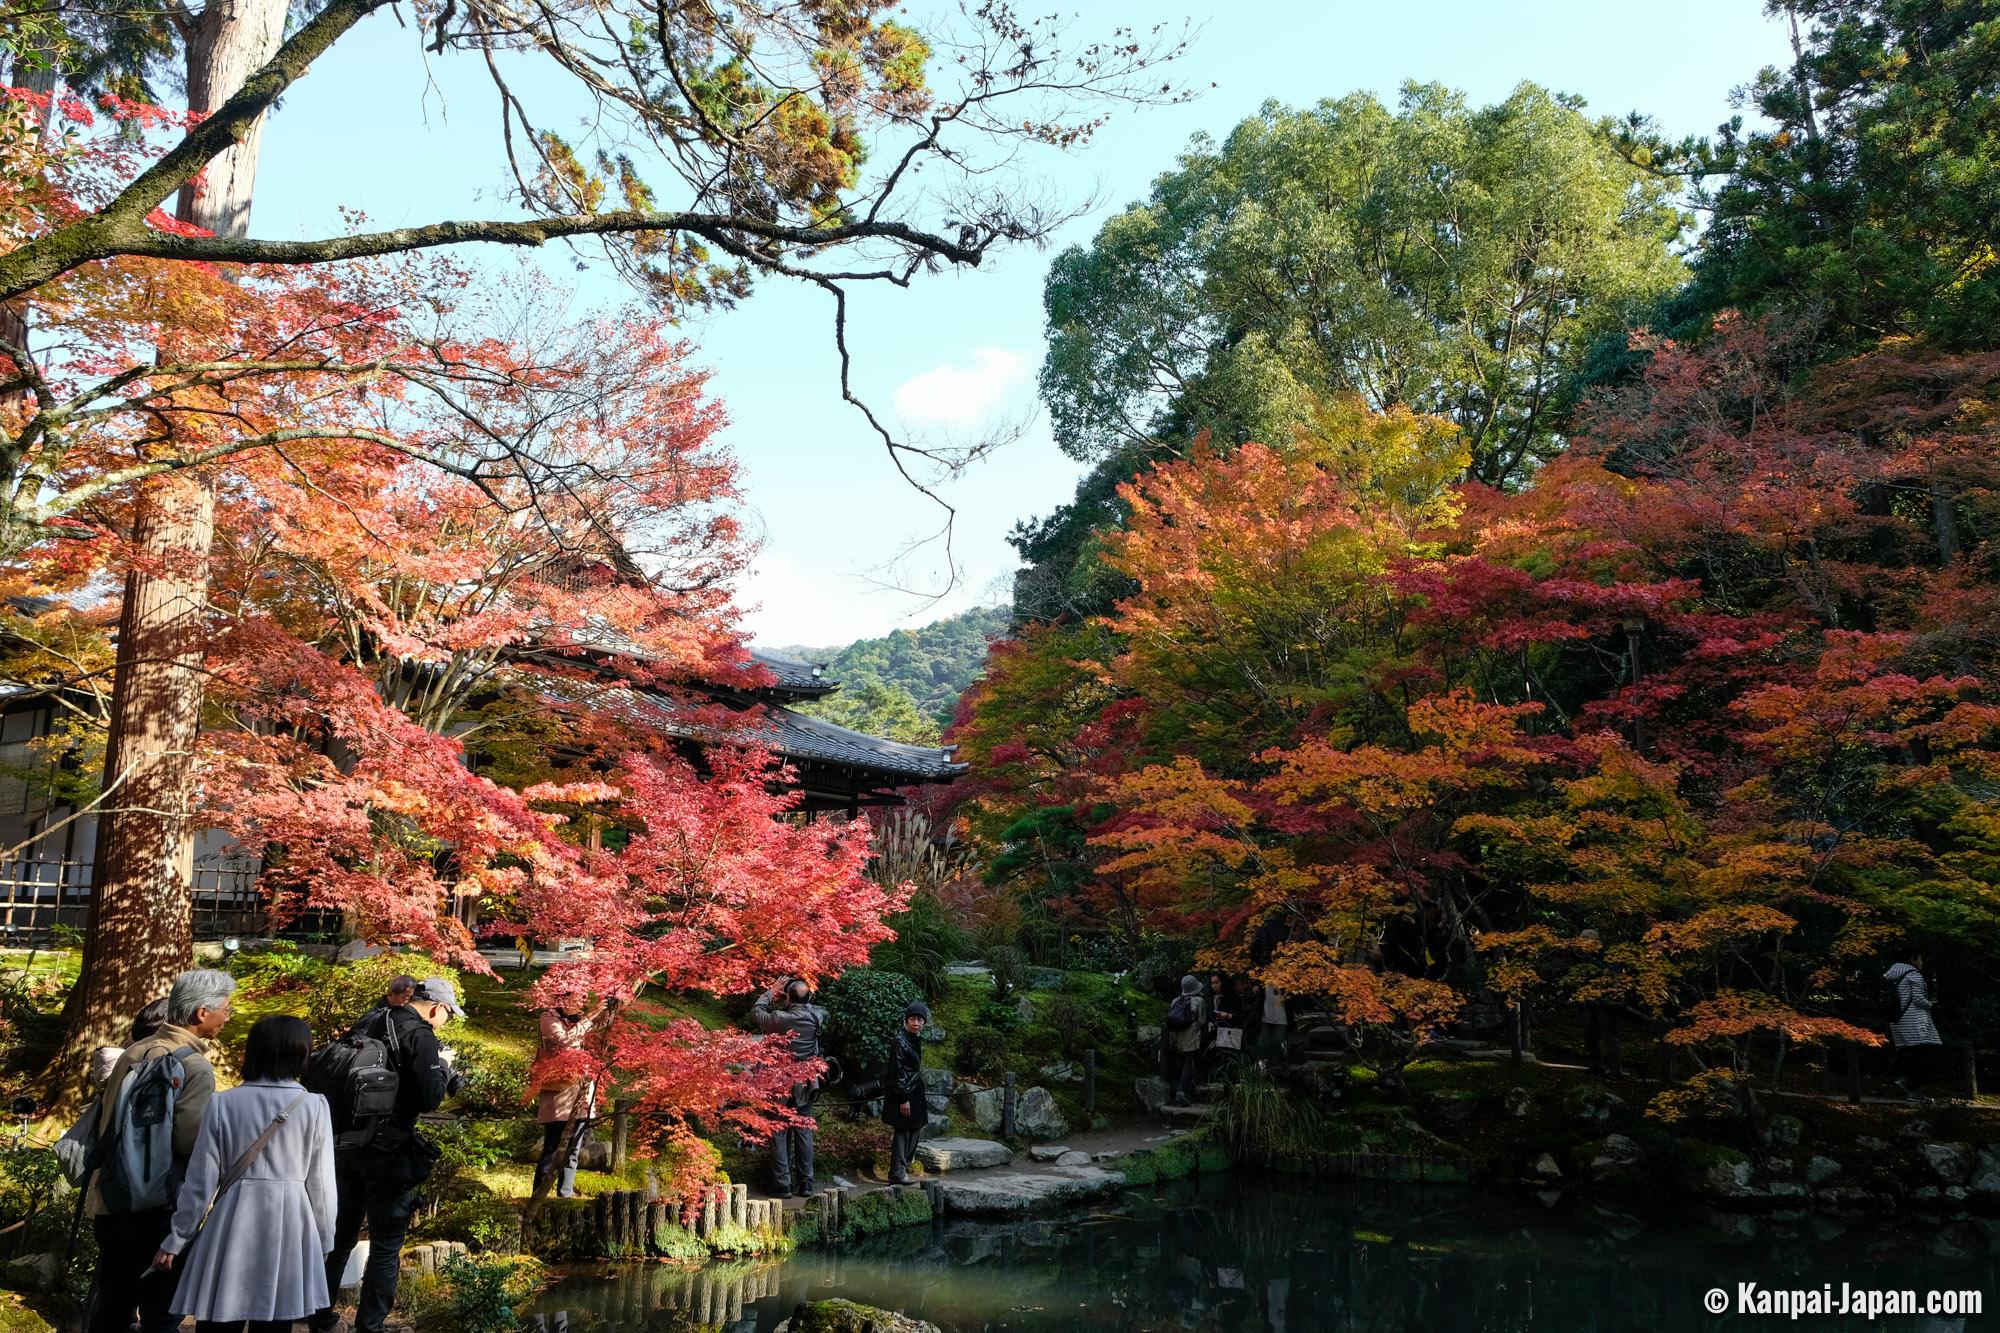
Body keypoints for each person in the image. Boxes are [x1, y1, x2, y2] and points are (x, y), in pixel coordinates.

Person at [153, 1015, 337, 1333]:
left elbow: (200, 1182)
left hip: (232, 1218)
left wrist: (177, 1237)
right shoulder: (314, 1106)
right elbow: (321, 1185)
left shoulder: (223, 1104)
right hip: (291, 1224)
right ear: (300, 1054)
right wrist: (323, 1240)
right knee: (275, 1320)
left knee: (220, 1313)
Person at [309, 976, 463, 1333]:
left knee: (340, 1236)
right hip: (389, 1152)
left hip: (346, 1145)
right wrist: (441, 1066)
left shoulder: (373, 1018)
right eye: (448, 1016)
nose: (446, 1022)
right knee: (386, 1244)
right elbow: (430, 1099)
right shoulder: (420, 1034)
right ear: (436, 1008)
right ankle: (371, 1326)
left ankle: (320, 1317)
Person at [85, 968, 235, 1333]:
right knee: (161, 1310)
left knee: (113, 1300)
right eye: (226, 1010)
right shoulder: (194, 1065)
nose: (227, 1018)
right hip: (159, 1208)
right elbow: (188, 1143)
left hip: (111, 1196)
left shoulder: (134, 1050)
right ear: (202, 1012)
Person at [752, 977, 828, 1197]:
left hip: (780, 1083)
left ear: (787, 997)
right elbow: (809, 1005)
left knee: (778, 1130)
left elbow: (757, 1011)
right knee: (803, 1131)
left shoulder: (779, 1018)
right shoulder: (817, 1017)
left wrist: (771, 991)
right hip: (806, 1082)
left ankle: (782, 1185)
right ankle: (806, 1184)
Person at [534, 995, 614, 1199]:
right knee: (552, 1150)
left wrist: (610, 1009)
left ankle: (565, 1195)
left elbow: (601, 1027)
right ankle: (538, 1197)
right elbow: (564, 1040)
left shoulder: (579, 1018)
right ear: (563, 997)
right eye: (578, 998)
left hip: (580, 1093)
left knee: (573, 1152)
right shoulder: (548, 1018)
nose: (582, 1002)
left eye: (584, 998)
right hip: (558, 1093)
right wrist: (591, 1015)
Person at [880, 1001, 929, 1186]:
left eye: (919, 1019)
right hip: (902, 1092)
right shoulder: (900, 1041)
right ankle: (897, 1173)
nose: (915, 1023)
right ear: (906, 1020)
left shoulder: (914, 1039)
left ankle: (903, 1167)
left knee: (915, 1128)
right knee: (902, 1131)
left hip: (915, 1090)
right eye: (912, 1019)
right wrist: (903, 1098)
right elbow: (898, 1071)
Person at [1885, 952, 1944, 1100]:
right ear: (1912, 959)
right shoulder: (1914, 975)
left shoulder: (1891, 975)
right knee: (1923, 1052)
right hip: (1914, 1021)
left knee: (1909, 1052)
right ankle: (1909, 1083)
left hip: (1897, 1020)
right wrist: (1931, 1004)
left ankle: (1910, 1086)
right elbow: (1918, 1000)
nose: (1921, 962)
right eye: (1920, 958)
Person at [1168, 975, 1208, 1106]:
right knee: (1189, 1063)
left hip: (1176, 1037)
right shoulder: (1199, 1001)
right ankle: (1181, 1092)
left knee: (1182, 1062)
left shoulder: (1175, 1001)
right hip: (1191, 1038)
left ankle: (1182, 1087)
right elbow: (1202, 1021)